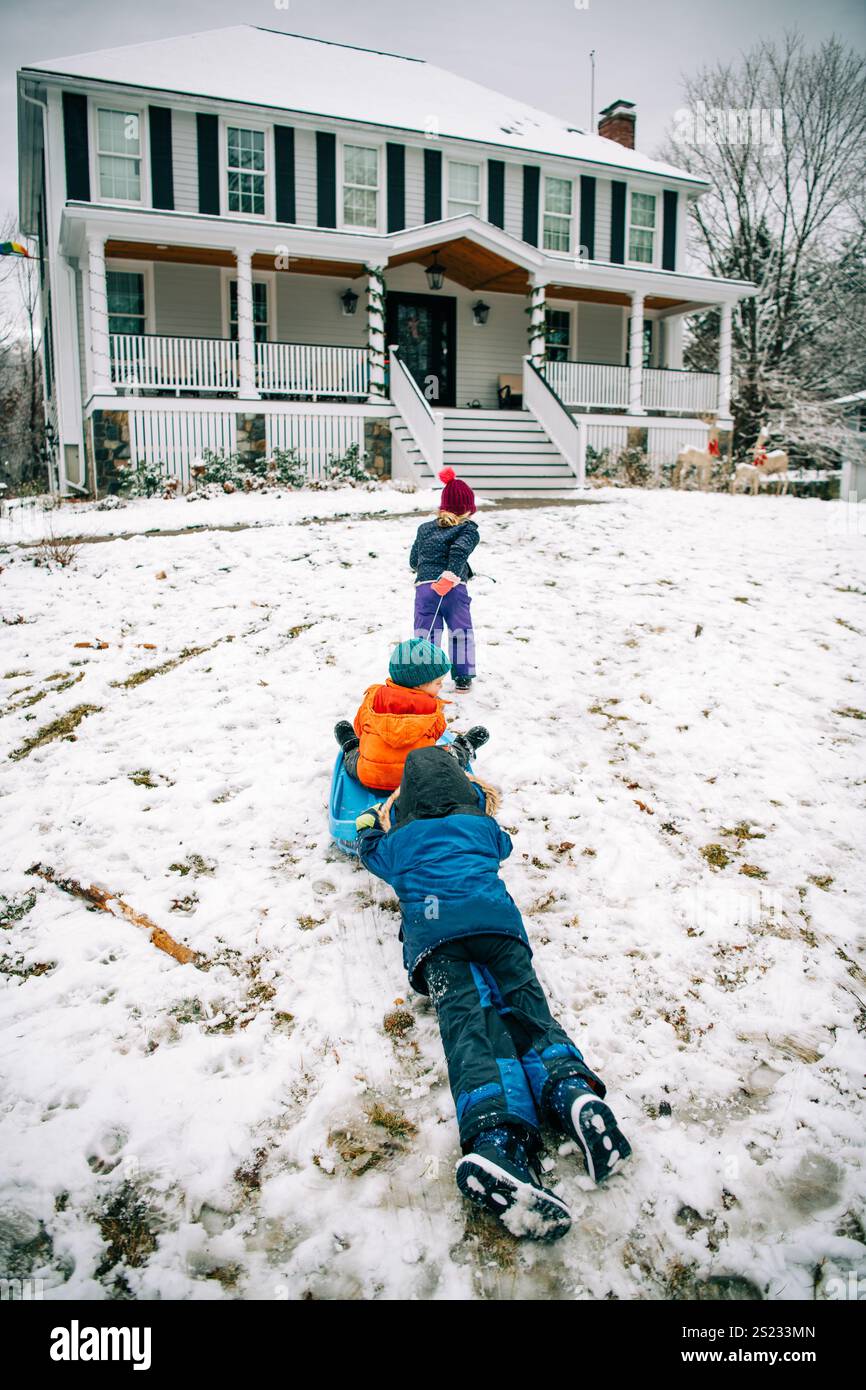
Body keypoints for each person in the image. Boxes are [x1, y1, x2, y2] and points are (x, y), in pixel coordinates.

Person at [355, 746, 631, 1240]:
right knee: (526, 1005)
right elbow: (502, 845)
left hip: (438, 934)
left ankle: (497, 1139)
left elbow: (370, 853)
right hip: (498, 930)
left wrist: (369, 827)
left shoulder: (399, 841)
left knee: (469, 1022)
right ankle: (569, 1089)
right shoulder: (482, 829)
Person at [334, 638, 488, 792]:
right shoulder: (431, 710)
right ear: (418, 685)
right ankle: (464, 747)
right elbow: (436, 735)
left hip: (370, 778)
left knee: (357, 756)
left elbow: (360, 730)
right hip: (418, 782)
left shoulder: (373, 698)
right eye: (438, 682)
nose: (441, 686)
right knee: (446, 757)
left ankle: (349, 743)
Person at [410, 468, 480, 691]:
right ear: (468, 507)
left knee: (425, 633)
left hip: (424, 589)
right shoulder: (467, 529)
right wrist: (450, 575)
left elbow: (414, 560)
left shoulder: (424, 529)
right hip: (453, 589)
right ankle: (462, 677)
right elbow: (459, 551)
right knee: (461, 631)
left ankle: (424, 679)